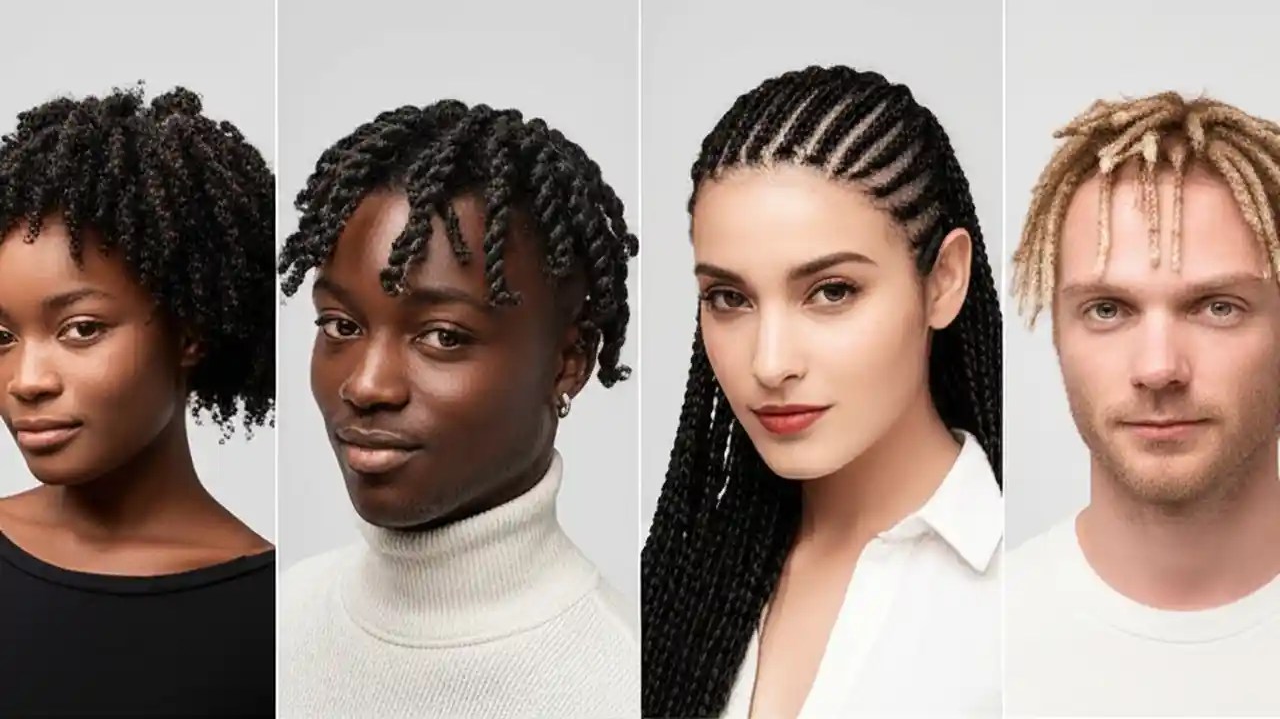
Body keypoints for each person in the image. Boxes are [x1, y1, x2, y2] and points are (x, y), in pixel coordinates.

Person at [641, 65, 1004, 719]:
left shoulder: (1025, 595)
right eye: (729, 298)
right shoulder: (675, 581)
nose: (770, 363)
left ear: (944, 281)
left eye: (831, 292)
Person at [276, 100, 640, 718]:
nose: (365, 385)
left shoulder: (623, 683)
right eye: (340, 324)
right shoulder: (277, 621)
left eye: (443, 336)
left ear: (568, 362)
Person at [0, 85, 276, 717]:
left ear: (191, 332)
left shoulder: (273, 626)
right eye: (3, 337)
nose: (27, 379)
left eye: (81, 330)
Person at [1006, 91, 1280, 716]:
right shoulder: (977, 641)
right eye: (1107, 310)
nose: (1159, 368)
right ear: (1056, 333)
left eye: (1217, 307)